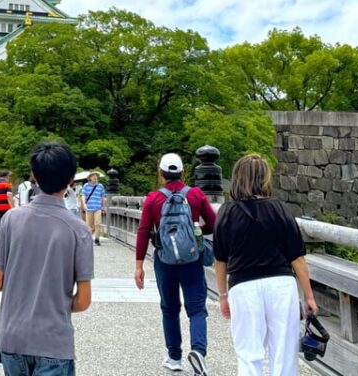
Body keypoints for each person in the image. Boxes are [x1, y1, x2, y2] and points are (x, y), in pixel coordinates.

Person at [0, 141, 94, 376]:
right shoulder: (79, 230)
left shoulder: (11, 220)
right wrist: (51, 303)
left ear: (35, 176)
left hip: (12, 337)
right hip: (53, 341)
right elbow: (83, 300)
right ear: (70, 180)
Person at [213, 154, 317, 376]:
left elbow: (220, 260)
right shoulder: (280, 209)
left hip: (243, 286)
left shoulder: (226, 213)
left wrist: (223, 295)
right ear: (264, 178)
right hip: (280, 284)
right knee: (284, 353)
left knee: (249, 354)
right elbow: (297, 258)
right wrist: (308, 296)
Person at [134, 153, 216, 375]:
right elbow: (214, 223)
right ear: (183, 172)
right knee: (197, 309)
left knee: (169, 309)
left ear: (161, 173)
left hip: (165, 261)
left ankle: (174, 357)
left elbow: (143, 232)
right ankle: (199, 351)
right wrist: (195, 232)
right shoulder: (196, 195)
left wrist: (139, 265)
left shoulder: (153, 199)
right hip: (192, 259)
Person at [81, 172, 106, 245]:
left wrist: (104, 207)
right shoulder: (86, 185)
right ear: (90, 178)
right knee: (89, 225)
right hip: (89, 208)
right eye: (93, 176)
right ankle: (88, 238)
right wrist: (84, 204)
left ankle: (97, 239)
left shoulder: (100, 186)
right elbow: (83, 195)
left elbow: (103, 197)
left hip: (98, 207)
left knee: (97, 223)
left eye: (96, 176)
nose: (95, 177)